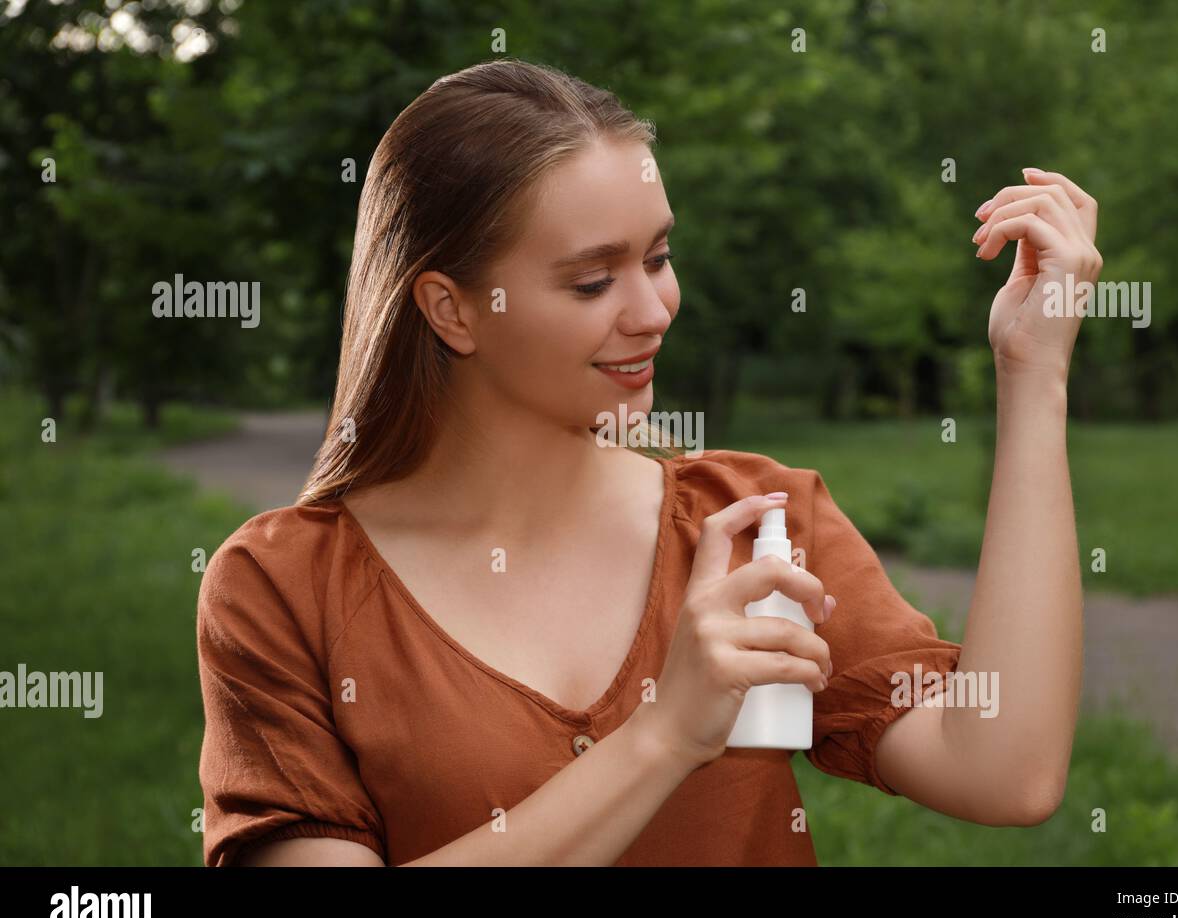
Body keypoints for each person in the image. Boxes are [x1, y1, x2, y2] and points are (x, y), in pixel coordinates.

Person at [196, 57, 1097, 866]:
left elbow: (1005, 772)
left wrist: (1033, 374)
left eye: (658, 258)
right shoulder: (281, 588)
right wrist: (666, 733)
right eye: (593, 281)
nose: (654, 309)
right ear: (451, 309)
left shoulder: (757, 522)